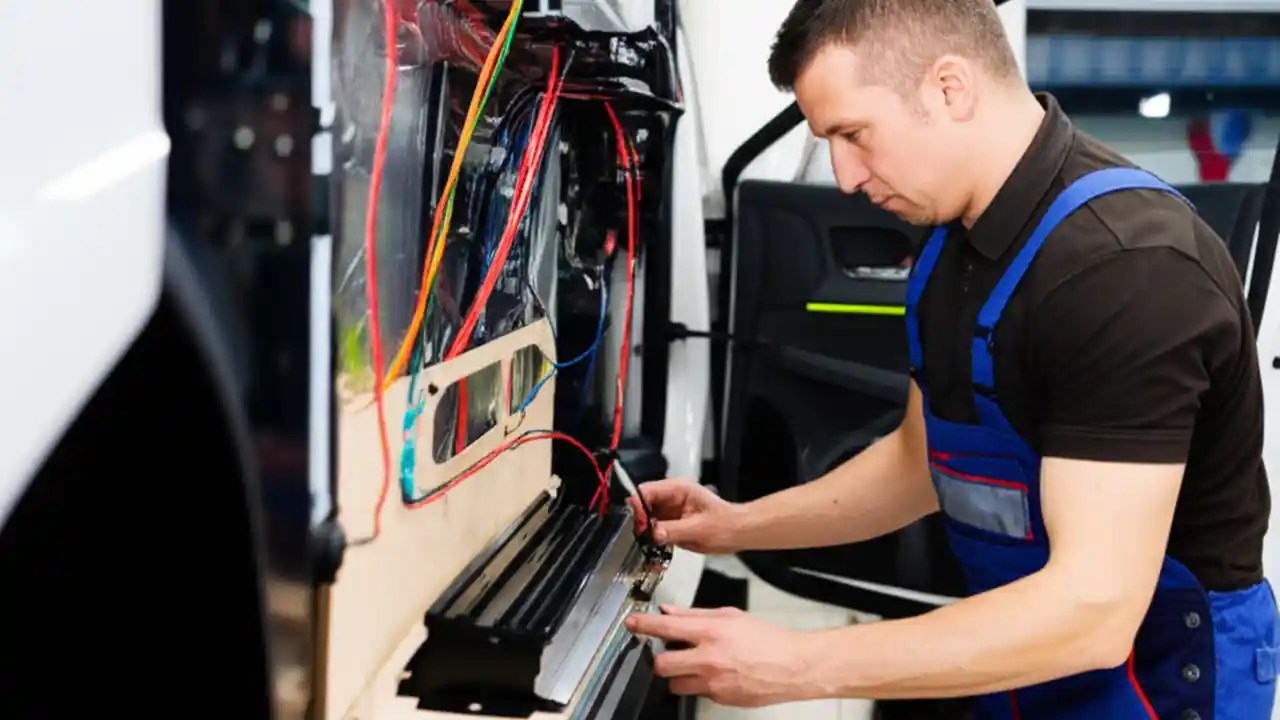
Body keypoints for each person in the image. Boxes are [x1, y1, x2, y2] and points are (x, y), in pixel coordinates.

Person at [625, 1, 1278, 718]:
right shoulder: (951, 245)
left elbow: (1093, 610)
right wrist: (737, 524)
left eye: (853, 134)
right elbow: (918, 462)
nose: (844, 175)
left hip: (1156, 679)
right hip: (1020, 662)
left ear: (949, 87)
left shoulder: (1129, 270)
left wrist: (799, 663)